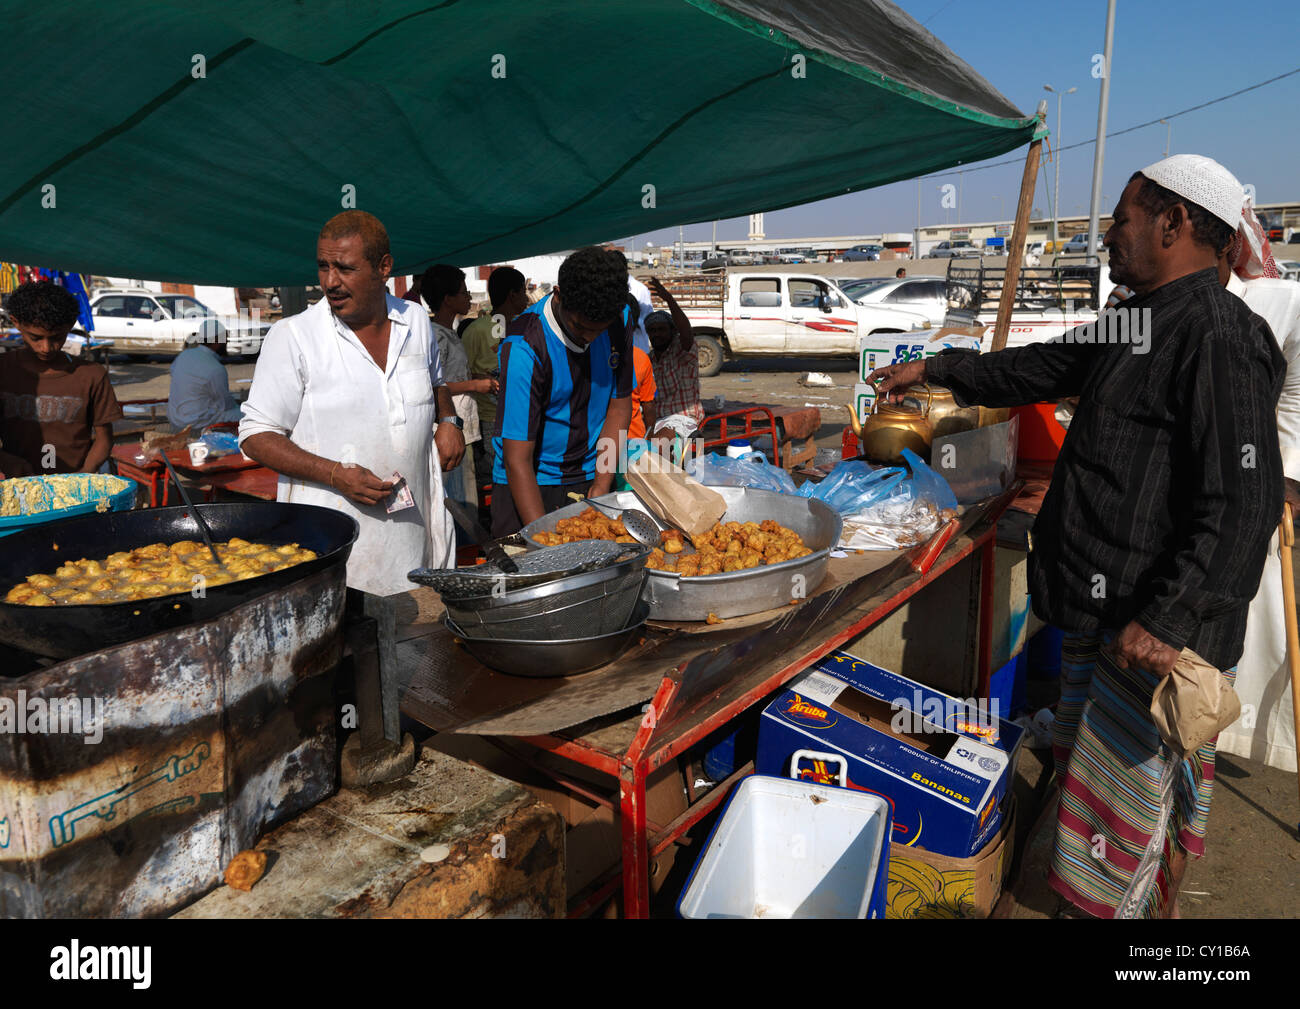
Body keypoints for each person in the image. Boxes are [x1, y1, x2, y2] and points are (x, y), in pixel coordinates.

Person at [870, 154, 1283, 919]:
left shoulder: (1220, 335)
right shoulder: (1140, 318)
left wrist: (1167, 619)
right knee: (1108, 821)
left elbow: (1243, 500)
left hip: (1150, 633)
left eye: (1122, 220)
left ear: (1173, 222)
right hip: (1109, 617)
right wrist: (935, 367)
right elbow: (1044, 365)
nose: (1105, 237)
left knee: (1118, 832)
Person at [239, 211, 463, 596]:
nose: (329, 282)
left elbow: (435, 379)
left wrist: (448, 420)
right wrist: (334, 474)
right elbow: (255, 435)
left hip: (412, 545)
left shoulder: (415, 320)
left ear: (384, 267)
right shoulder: (294, 336)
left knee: (414, 642)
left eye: (344, 268)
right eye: (323, 267)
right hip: (334, 553)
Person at [1214, 202, 1300, 774]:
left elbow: (1295, 397)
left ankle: (1239, 732)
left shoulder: (1286, 301)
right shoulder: (1146, 300)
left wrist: (1289, 476)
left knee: (1259, 608)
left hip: (1257, 474)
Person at [491, 246, 632, 536]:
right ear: (558, 296)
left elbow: (619, 408)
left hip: (591, 477)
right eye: (580, 327)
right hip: (528, 484)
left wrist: (602, 482)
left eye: (599, 330)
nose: (590, 338)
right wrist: (547, 539)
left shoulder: (620, 319)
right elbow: (516, 458)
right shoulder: (524, 346)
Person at [0, 280, 121, 477]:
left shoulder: (92, 375)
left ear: (70, 326)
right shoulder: (3, 369)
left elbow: (104, 439)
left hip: (76, 487)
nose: (46, 348)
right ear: (15, 322)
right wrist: (5, 461)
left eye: (57, 338)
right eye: (36, 338)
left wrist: (84, 476)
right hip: (19, 490)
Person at [421, 264, 489, 510]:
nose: (469, 297)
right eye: (463, 293)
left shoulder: (449, 333)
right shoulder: (436, 336)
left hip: (464, 429)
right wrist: (475, 385)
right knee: (459, 502)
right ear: (448, 299)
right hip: (450, 431)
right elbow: (433, 384)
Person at [461, 267, 524, 496]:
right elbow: (461, 375)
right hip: (491, 419)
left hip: (524, 418)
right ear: (513, 295)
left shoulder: (528, 327)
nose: (527, 298)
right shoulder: (477, 331)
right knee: (504, 477)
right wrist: (481, 379)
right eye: (524, 292)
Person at [644, 276, 703, 429]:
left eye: (661, 329)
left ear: (673, 331)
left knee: (659, 445)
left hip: (685, 419)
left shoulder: (681, 351)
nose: (656, 334)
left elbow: (686, 331)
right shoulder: (649, 360)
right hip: (658, 420)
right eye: (652, 330)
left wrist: (669, 299)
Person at [167, 330, 242, 432]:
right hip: (196, 423)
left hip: (175, 419)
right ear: (216, 341)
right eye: (225, 341)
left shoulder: (184, 355)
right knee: (245, 414)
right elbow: (225, 405)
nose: (226, 344)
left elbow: (173, 373)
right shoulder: (216, 369)